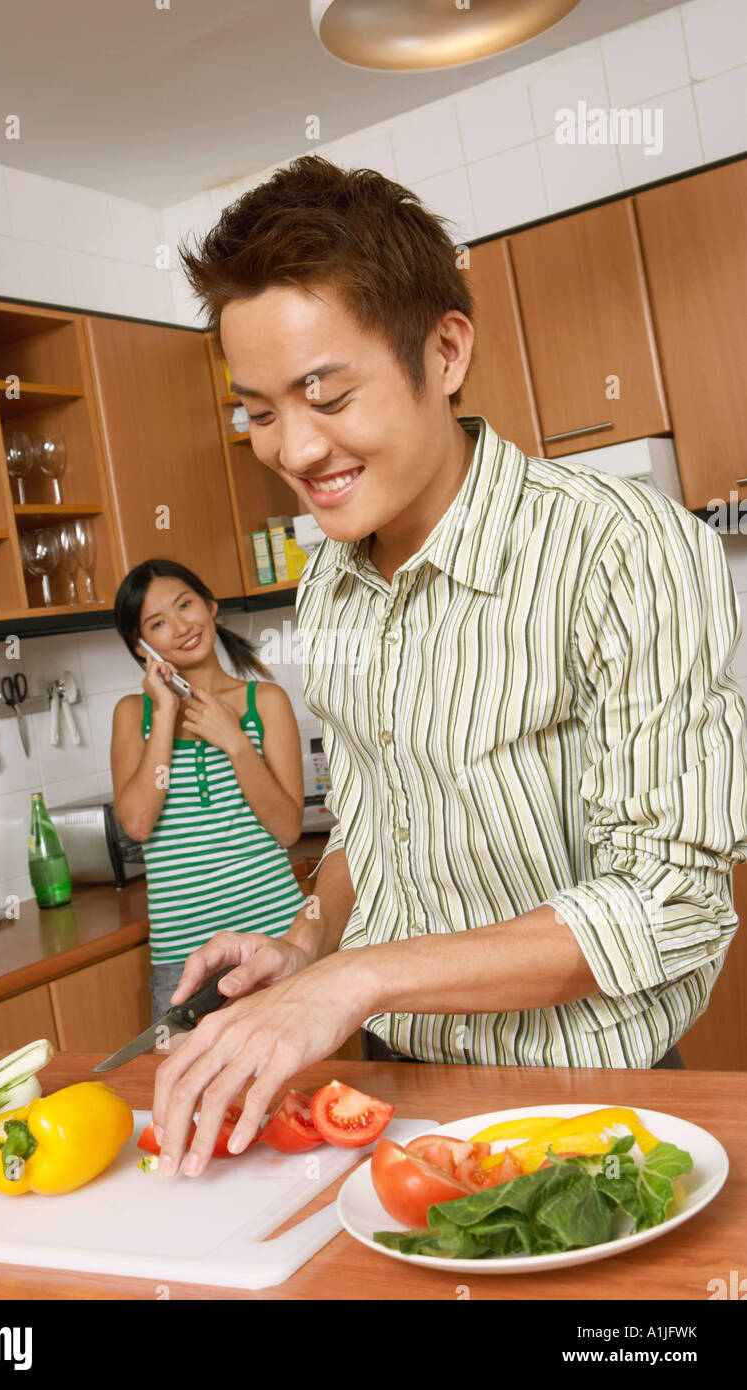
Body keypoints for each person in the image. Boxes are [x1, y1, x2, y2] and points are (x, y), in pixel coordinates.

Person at [148, 155, 747, 1178]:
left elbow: (670, 896)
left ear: (445, 349)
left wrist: (353, 980)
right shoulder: (330, 582)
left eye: (324, 393)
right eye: (256, 411)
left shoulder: (618, 548)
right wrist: (304, 946)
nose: (291, 448)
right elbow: (379, 821)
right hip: (395, 1093)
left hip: (595, 1109)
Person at [110, 557, 307, 1022]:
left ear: (210, 605)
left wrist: (235, 742)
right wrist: (162, 716)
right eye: (157, 623)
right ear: (142, 649)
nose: (180, 626)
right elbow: (138, 824)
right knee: (194, 1091)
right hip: (183, 959)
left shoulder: (265, 702)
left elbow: (287, 830)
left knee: (298, 1089)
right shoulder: (131, 715)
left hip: (275, 938)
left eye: (185, 605)